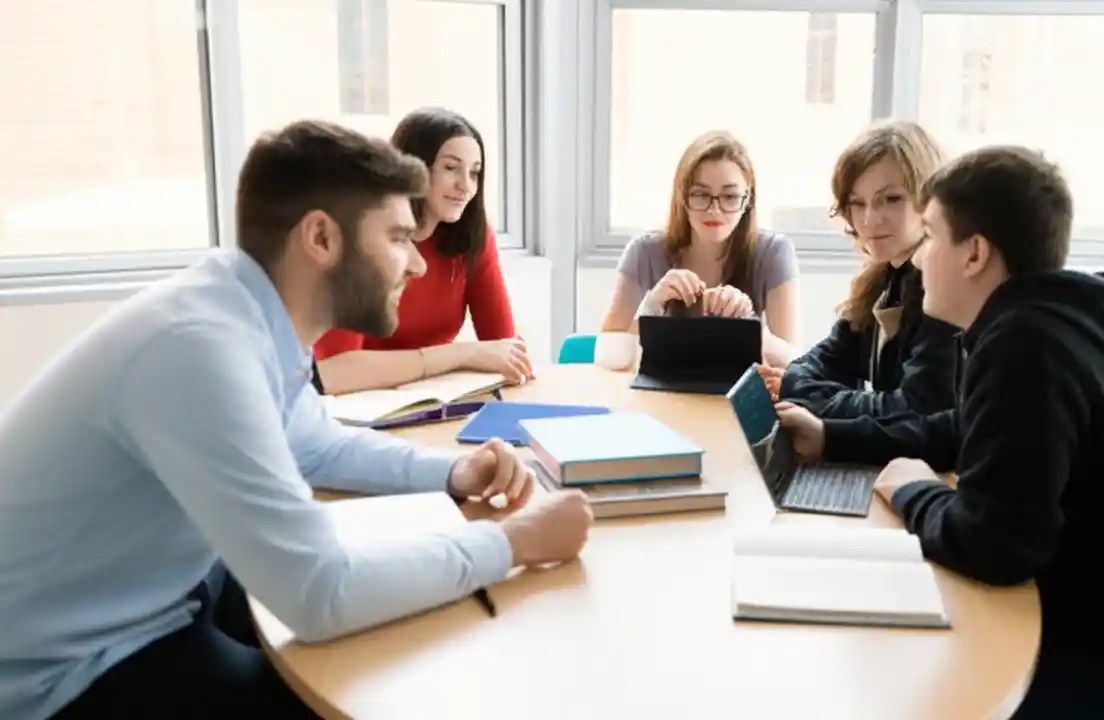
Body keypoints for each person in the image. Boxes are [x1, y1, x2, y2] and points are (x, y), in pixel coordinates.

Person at [0, 120, 593, 720]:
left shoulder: (240, 313)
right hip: (64, 671)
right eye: (395, 237)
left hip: (153, 598)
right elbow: (320, 593)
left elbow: (317, 446)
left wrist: (456, 472)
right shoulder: (201, 349)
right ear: (320, 238)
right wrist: (512, 542)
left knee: (386, 648)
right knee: (372, 696)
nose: (415, 264)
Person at [776, 146, 1104, 718]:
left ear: (974, 253)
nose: (920, 262)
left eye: (930, 235)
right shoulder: (1045, 321)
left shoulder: (1027, 344)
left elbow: (994, 546)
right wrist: (834, 437)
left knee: (922, 689)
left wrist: (914, 493)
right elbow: (963, 428)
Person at [313, 107, 531, 395]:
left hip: (430, 400)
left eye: (475, 173)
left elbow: (505, 349)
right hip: (359, 408)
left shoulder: (473, 238)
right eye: (451, 168)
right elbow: (333, 371)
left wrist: (491, 357)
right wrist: (461, 354)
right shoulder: (359, 240)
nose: (465, 186)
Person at [760, 121, 959, 417]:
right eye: (856, 203)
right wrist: (798, 384)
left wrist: (813, 398)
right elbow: (828, 357)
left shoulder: (945, 290)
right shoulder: (882, 279)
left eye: (890, 199)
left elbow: (913, 409)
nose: (869, 219)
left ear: (929, 200)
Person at [599, 130, 802, 367]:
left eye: (730, 196)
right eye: (700, 195)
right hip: (662, 397)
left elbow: (795, 364)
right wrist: (652, 306)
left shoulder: (773, 252)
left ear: (747, 201)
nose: (714, 210)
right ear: (682, 197)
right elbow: (606, 356)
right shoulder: (645, 251)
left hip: (737, 397)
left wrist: (749, 325)